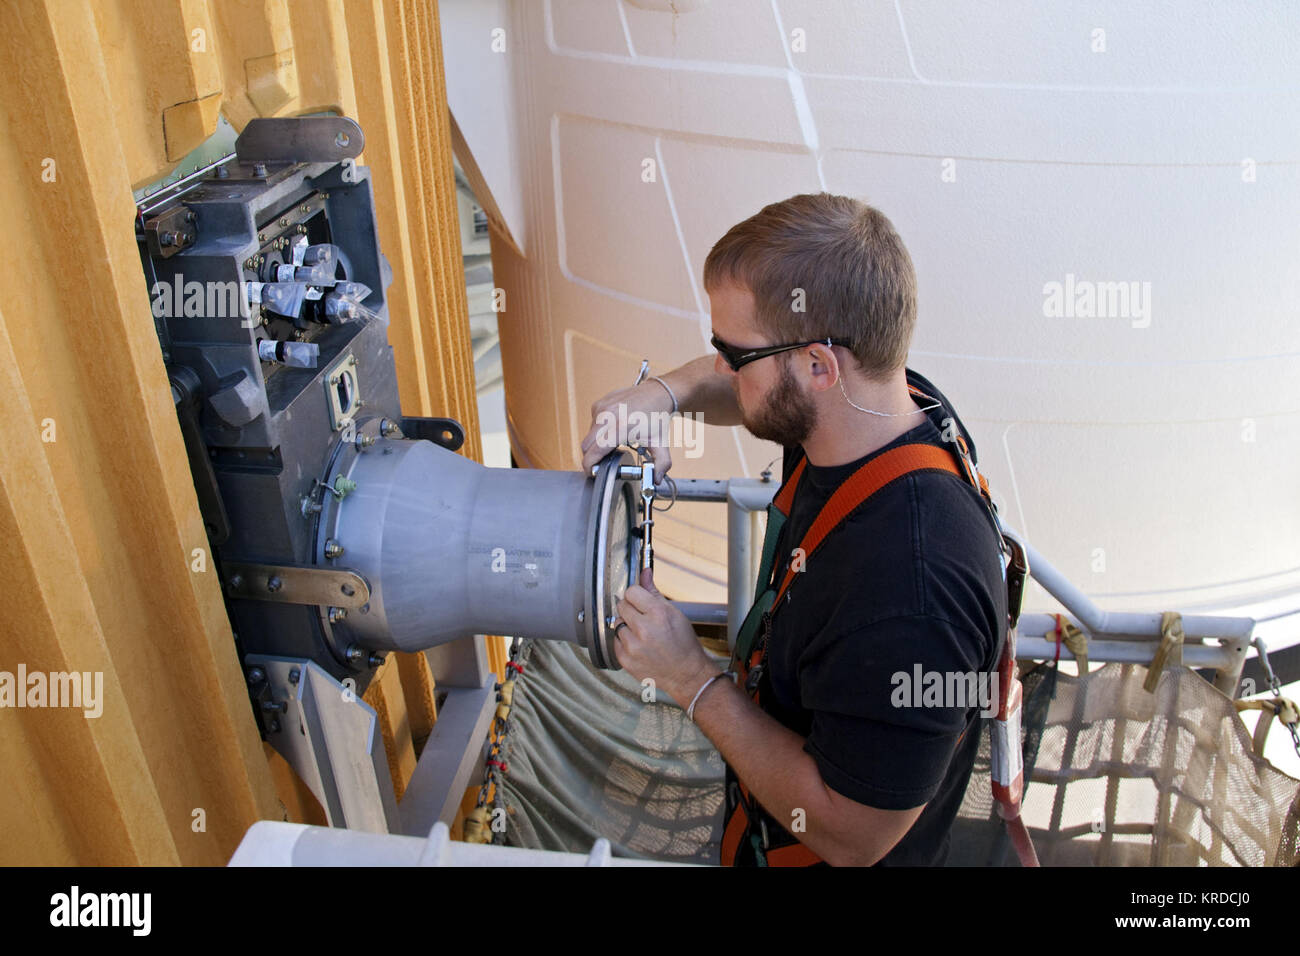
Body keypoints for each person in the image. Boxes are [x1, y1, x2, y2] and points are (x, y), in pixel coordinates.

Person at [579, 193, 1007, 866]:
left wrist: (689, 677)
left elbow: (852, 834)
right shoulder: (876, 405)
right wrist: (660, 395)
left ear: (818, 366)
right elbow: (752, 385)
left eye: (731, 349)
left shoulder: (911, 596)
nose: (718, 365)